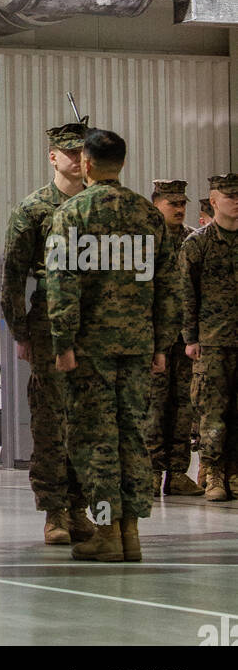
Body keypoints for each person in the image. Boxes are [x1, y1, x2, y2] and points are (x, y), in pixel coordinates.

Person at [46, 128, 178, 563]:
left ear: (85, 163)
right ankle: (131, 532)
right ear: (122, 163)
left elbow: (62, 285)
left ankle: (106, 530)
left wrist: (62, 342)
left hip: (90, 348)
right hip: (138, 345)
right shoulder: (147, 214)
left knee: (95, 439)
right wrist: (161, 343)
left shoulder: (72, 213)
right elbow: (167, 285)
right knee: (131, 436)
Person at [1, 121, 95, 546]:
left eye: (83, 152)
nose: (77, 160)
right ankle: (55, 510)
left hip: (97, 322)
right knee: (51, 419)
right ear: (53, 157)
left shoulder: (100, 204)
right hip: (49, 324)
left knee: (89, 419)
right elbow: (13, 274)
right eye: (69, 153)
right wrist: (19, 329)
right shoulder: (34, 208)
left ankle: (82, 506)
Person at [181, 174, 238, 504]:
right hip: (212, 341)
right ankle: (213, 472)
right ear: (214, 201)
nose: (236, 201)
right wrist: (191, 337)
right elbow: (186, 294)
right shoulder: (198, 244)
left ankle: (235, 471)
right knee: (212, 412)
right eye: (229, 196)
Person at [145, 179, 201, 497]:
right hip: (155, 336)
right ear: (156, 204)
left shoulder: (194, 239)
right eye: (172, 204)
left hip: (186, 337)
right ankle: (152, 471)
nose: (179, 209)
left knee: (184, 406)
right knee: (154, 405)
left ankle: (178, 473)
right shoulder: (144, 241)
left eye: (182, 204)